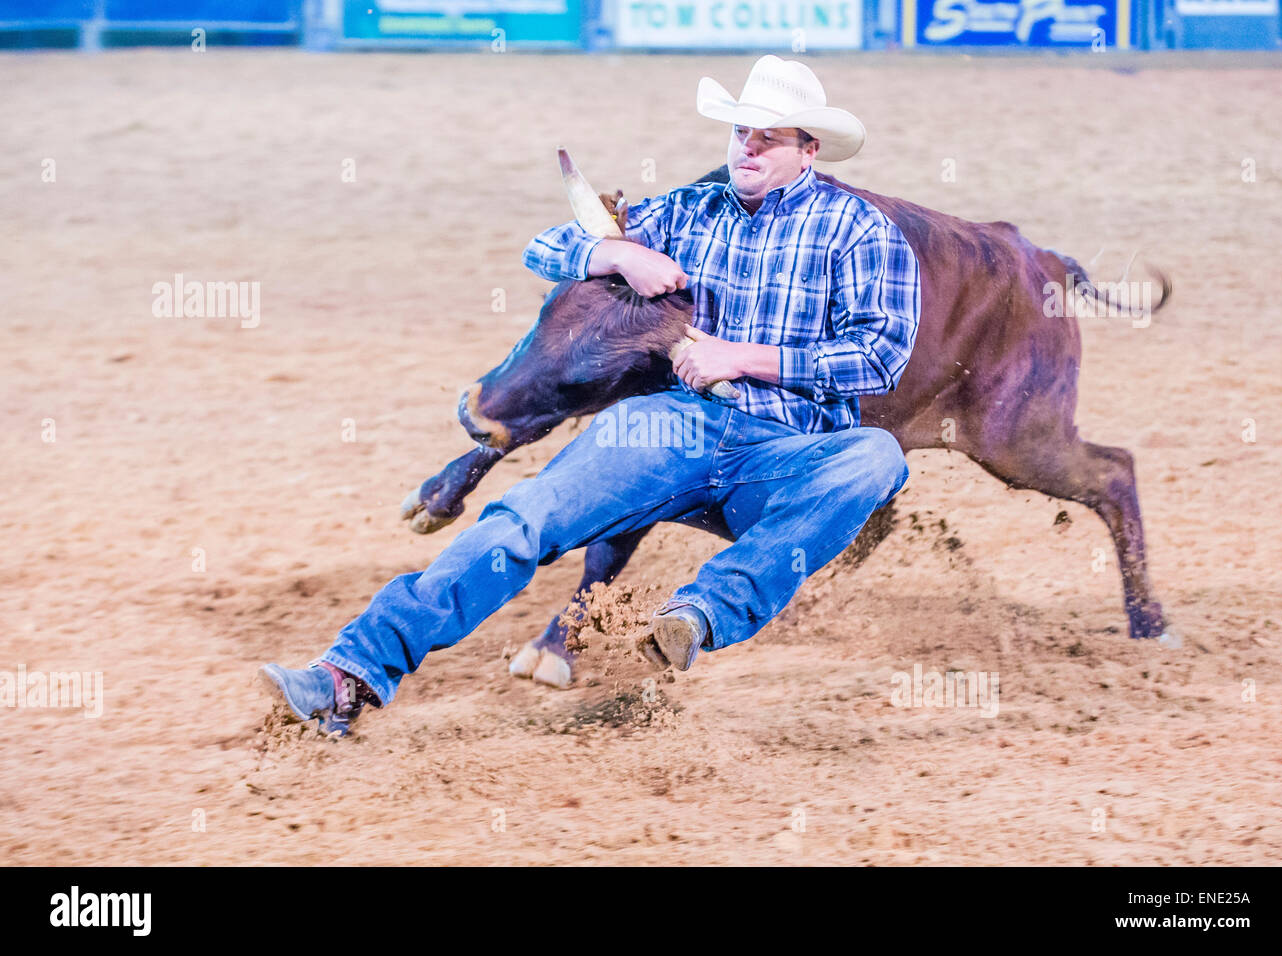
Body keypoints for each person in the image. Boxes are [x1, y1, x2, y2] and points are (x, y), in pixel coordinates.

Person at [260, 54, 922, 736]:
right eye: (740, 132)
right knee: (523, 519)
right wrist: (620, 255)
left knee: (876, 455)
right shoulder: (691, 211)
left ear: (809, 149)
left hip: (789, 454)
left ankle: (700, 614)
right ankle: (348, 673)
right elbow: (546, 248)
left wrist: (745, 357)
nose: (748, 146)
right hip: (673, 428)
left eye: (770, 135)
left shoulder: (864, 232)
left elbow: (881, 357)